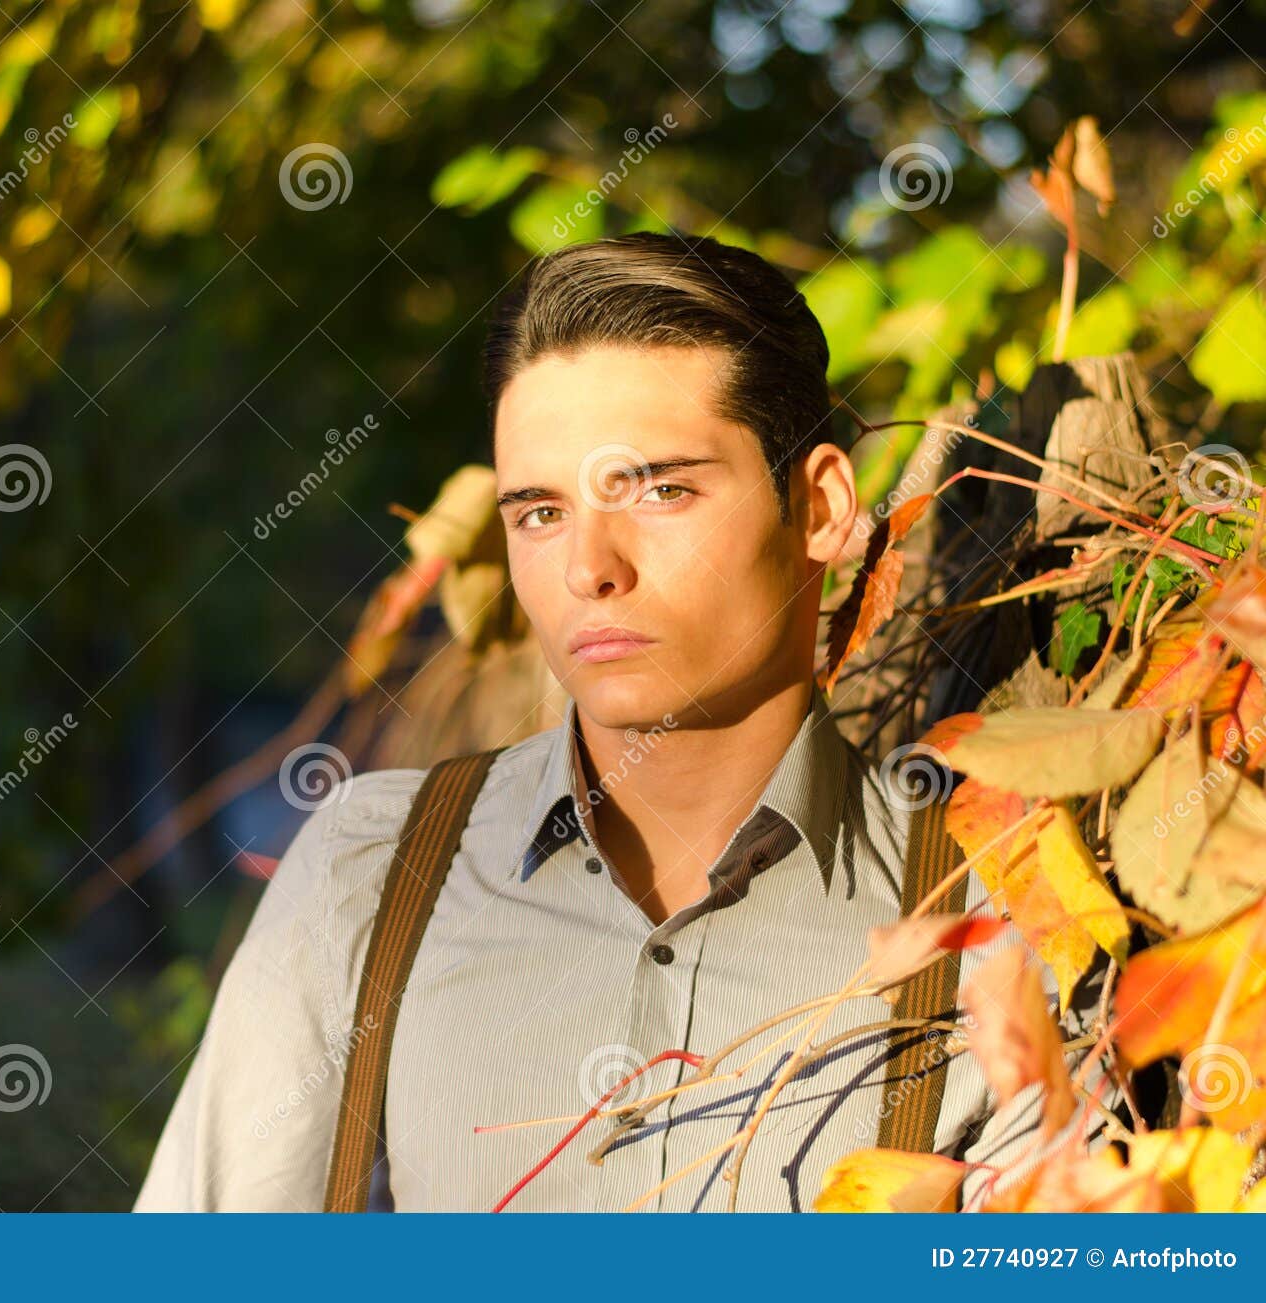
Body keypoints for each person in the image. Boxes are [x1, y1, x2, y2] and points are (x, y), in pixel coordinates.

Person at [133, 230, 1112, 1212]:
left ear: (818, 508)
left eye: (660, 490)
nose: (587, 569)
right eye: (540, 512)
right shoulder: (373, 871)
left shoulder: (995, 920)